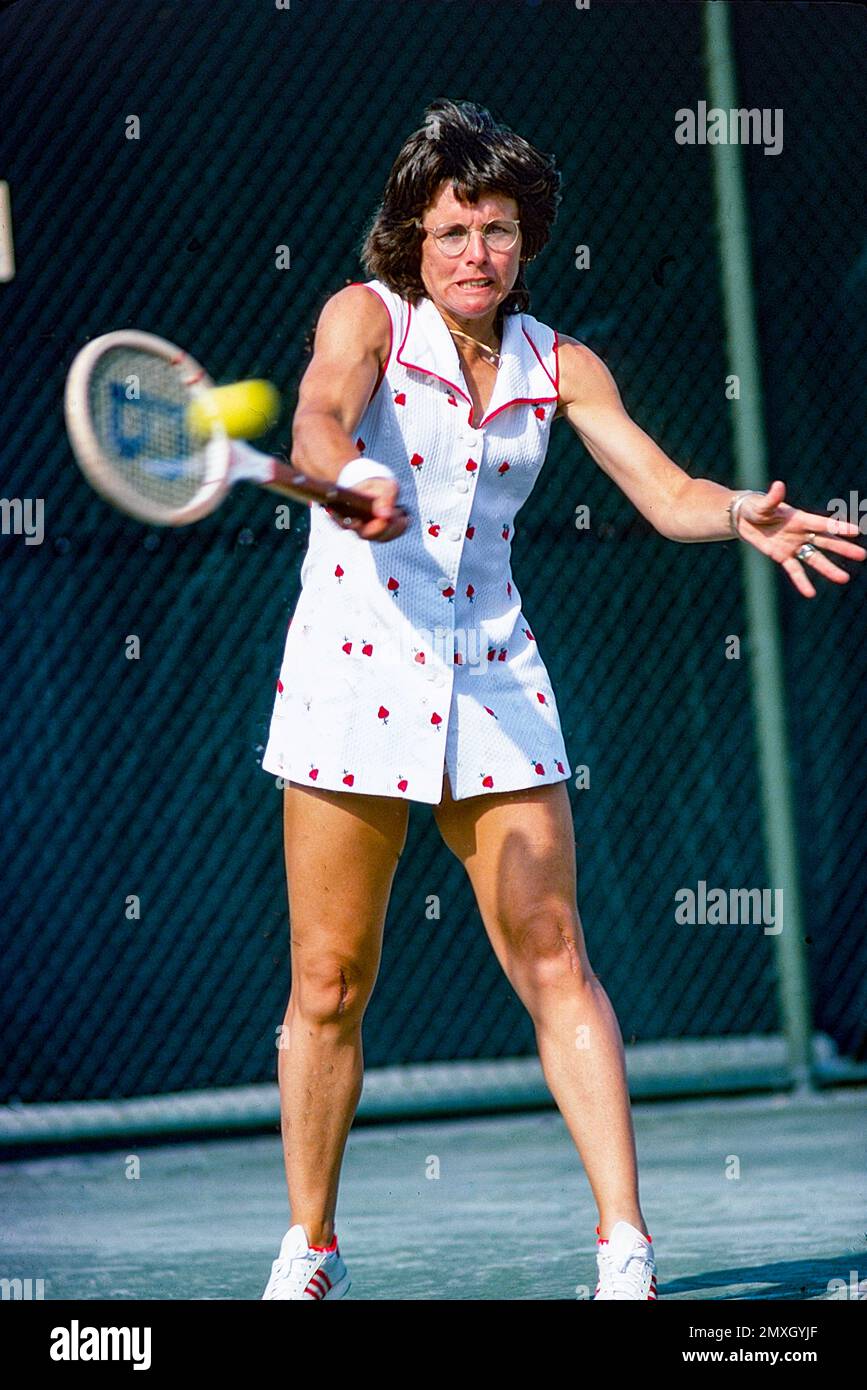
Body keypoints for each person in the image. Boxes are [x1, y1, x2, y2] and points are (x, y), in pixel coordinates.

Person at [259, 99, 864, 1301]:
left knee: (557, 958)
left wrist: (739, 509)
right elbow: (319, 415)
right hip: (352, 672)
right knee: (329, 981)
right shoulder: (365, 316)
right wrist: (347, 471)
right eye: (450, 230)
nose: (474, 252)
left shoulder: (559, 363)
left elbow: (665, 485)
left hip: (493, 679)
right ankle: (310, 1246)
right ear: (411, 242)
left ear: (526, 237)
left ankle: (626, 1250)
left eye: (494, 228)